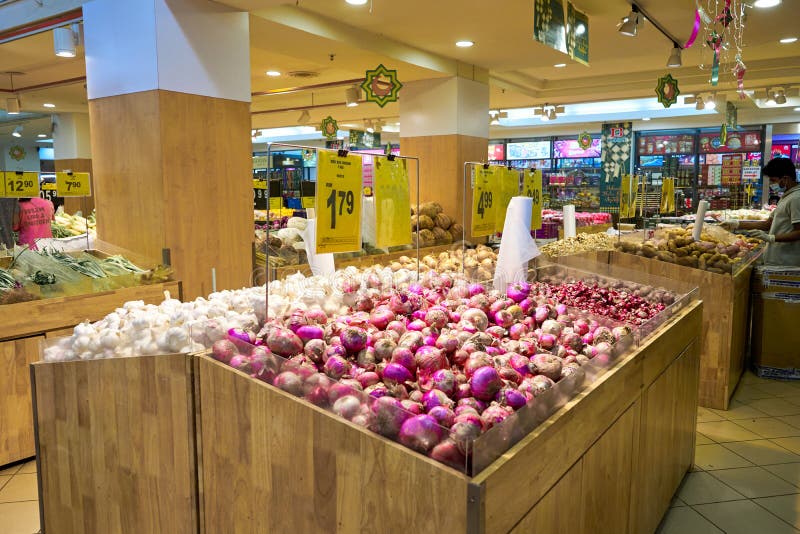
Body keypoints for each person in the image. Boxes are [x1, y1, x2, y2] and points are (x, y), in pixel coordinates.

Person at [721, 158, 800, 266]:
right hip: (776, 258)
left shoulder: (796, 198)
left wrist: (771, 238)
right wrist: (737, 224)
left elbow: (799, 232)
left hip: (787, 262)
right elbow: (767, 224)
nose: (771, 184)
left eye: (773, 180)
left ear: (785, 179)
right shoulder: (786, 196)